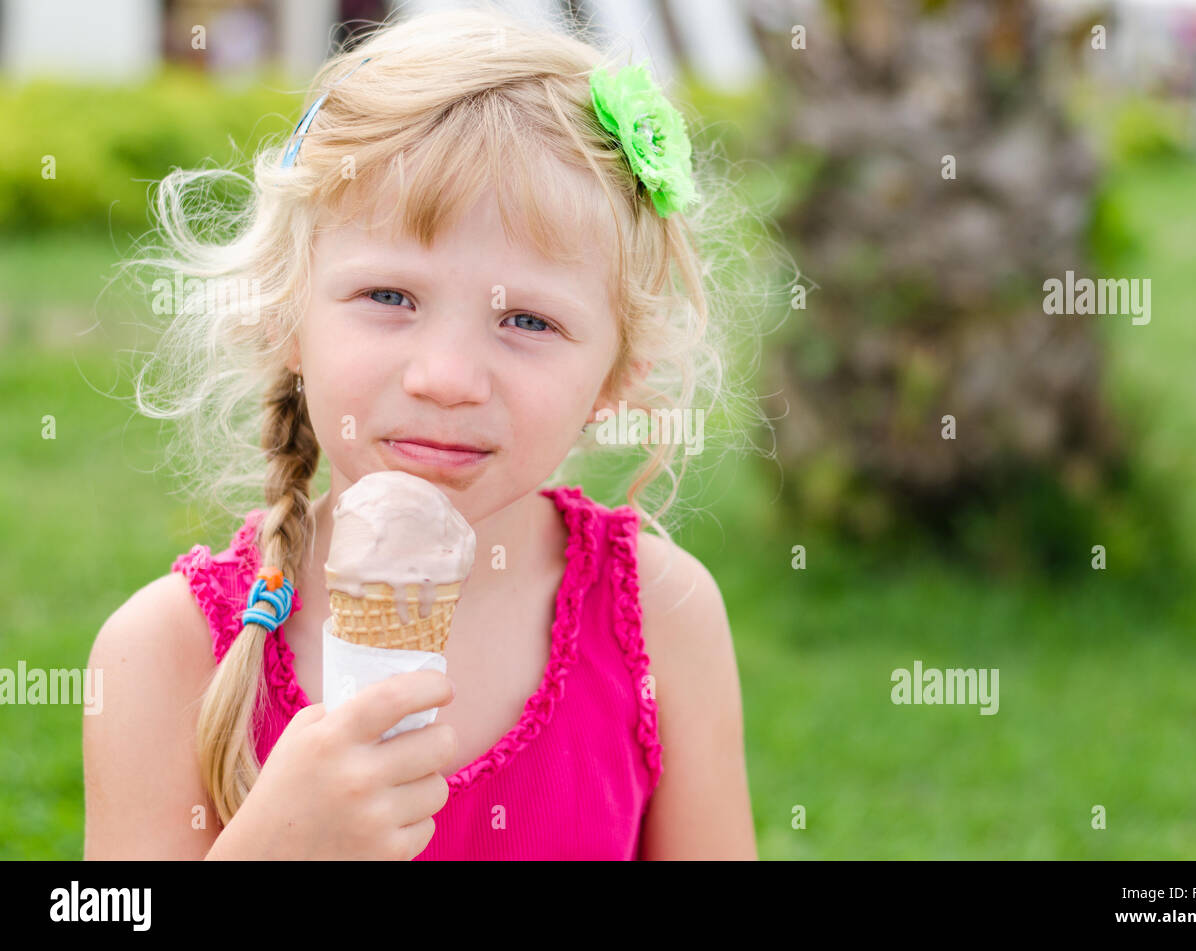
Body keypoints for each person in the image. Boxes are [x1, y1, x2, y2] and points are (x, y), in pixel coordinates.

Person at [84, 5, 774, 860]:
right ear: (285, 317)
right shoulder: (165, 654)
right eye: (390, 298)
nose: (446, 376)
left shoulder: (664, 618)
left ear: (617, 374)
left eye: (526, 319)